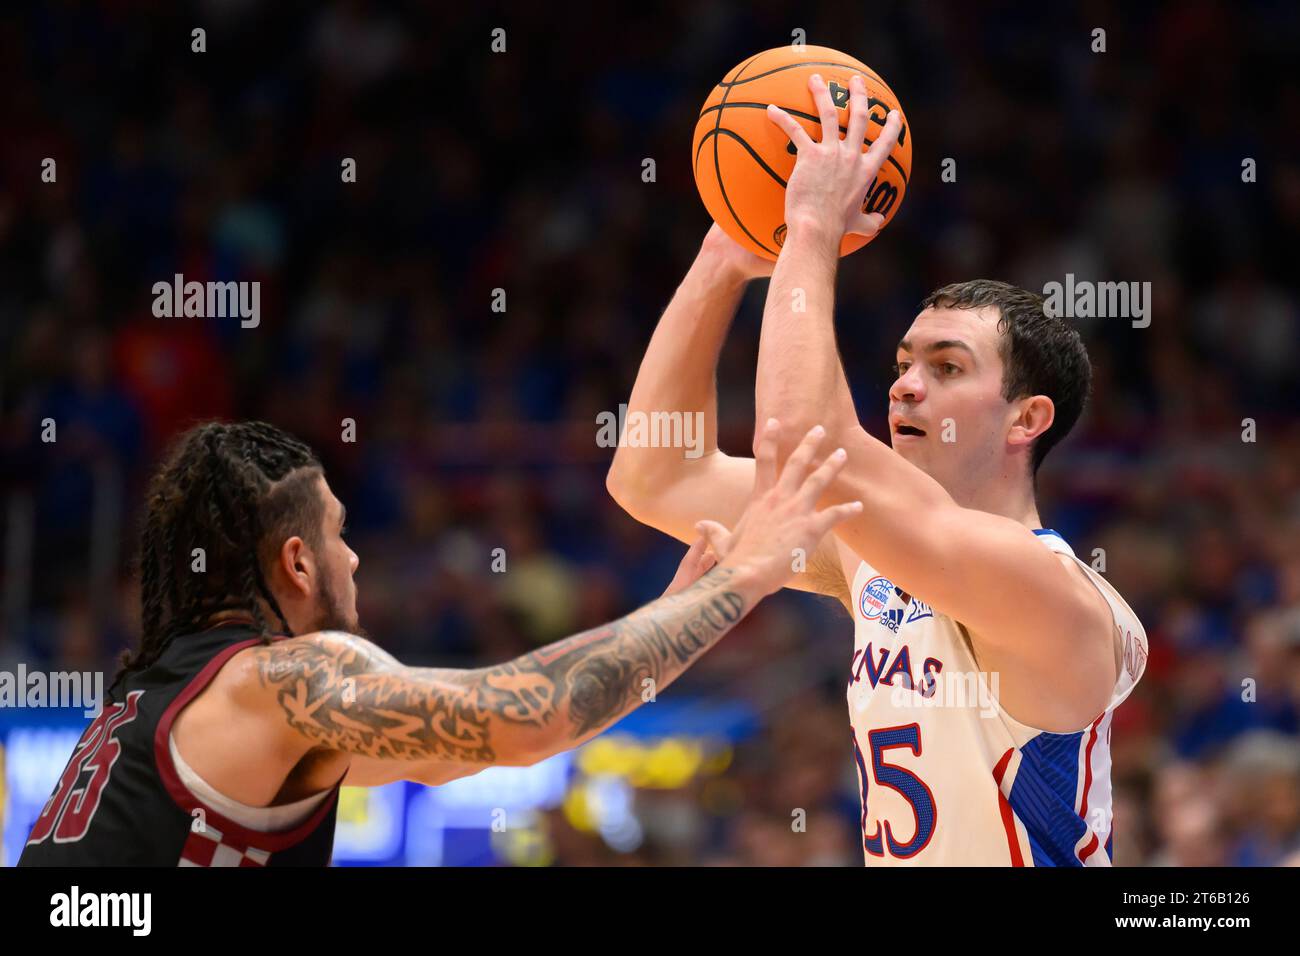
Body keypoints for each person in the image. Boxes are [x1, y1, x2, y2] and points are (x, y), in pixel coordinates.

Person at [607, 73, 1148, 866]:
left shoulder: (1049, 590)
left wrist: (812, 229)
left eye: (947, 366)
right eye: (901, 363)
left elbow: (799, 443)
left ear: (1027, 419)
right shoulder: (872, 555)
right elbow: (654, 474)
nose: (904, 384)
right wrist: (721, 261)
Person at [20, 418, 857, 866]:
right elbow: (537, 710)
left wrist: (677, 617)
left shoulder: (159, 699)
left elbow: (487, 745)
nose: (356, 558)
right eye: (341, 535)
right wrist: (742, 577)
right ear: (298, 561)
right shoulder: (282, 680)